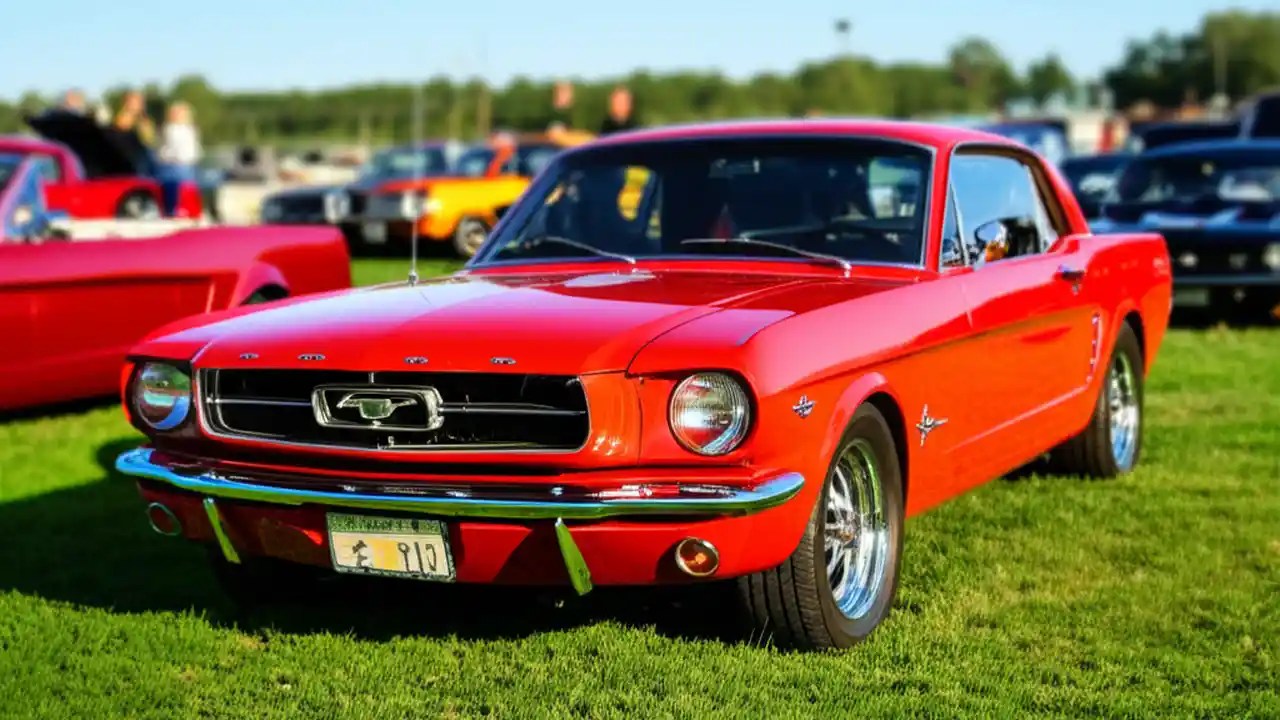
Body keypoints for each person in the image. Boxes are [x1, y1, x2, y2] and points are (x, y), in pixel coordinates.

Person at [155, 101, 202, 217]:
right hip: (171, 164)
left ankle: (186, 210)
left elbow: (192, 147)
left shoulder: (190, 129)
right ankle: (171, 211)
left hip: (186, 164)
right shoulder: (168, 129)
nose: (176, 115)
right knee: (171, 190)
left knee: (186, 189)